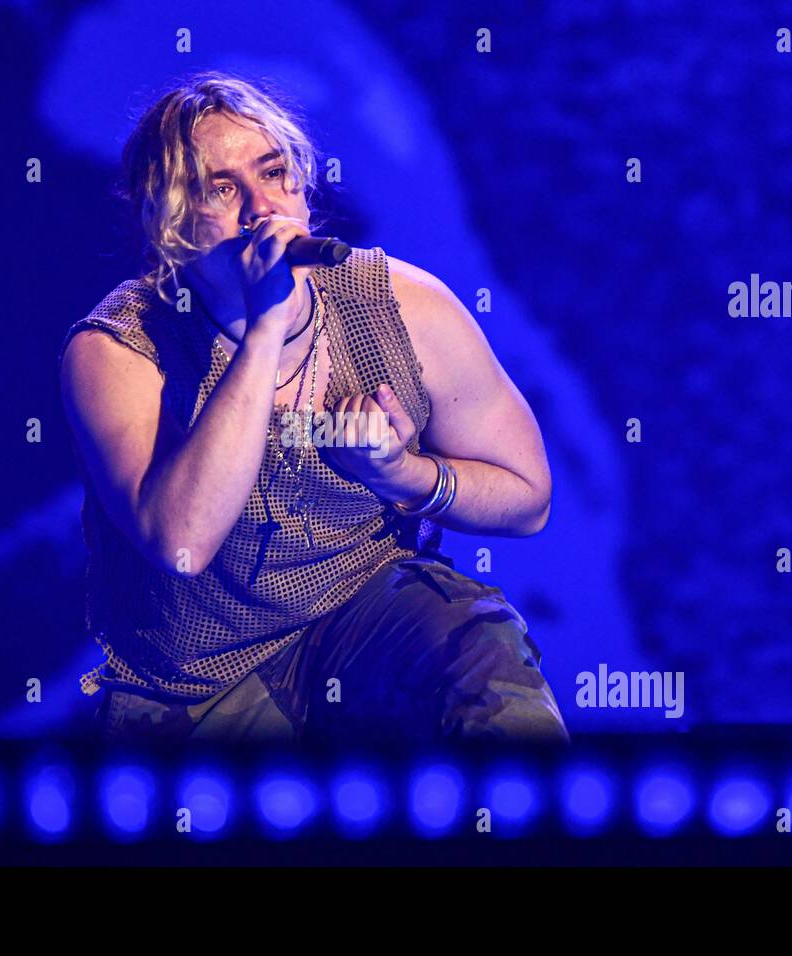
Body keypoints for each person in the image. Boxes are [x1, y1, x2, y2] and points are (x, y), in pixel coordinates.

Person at [58, 71, 569, 744]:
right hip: (195, 685)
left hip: (361, 609)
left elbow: (530, 501)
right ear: (171, 224)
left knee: (480, 643)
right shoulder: (119, 347)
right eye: (221, 188)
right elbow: (180, 546)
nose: (261, 208)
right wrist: (264, 325)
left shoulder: (401, 305)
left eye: (275, 175)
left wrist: (403, 475)